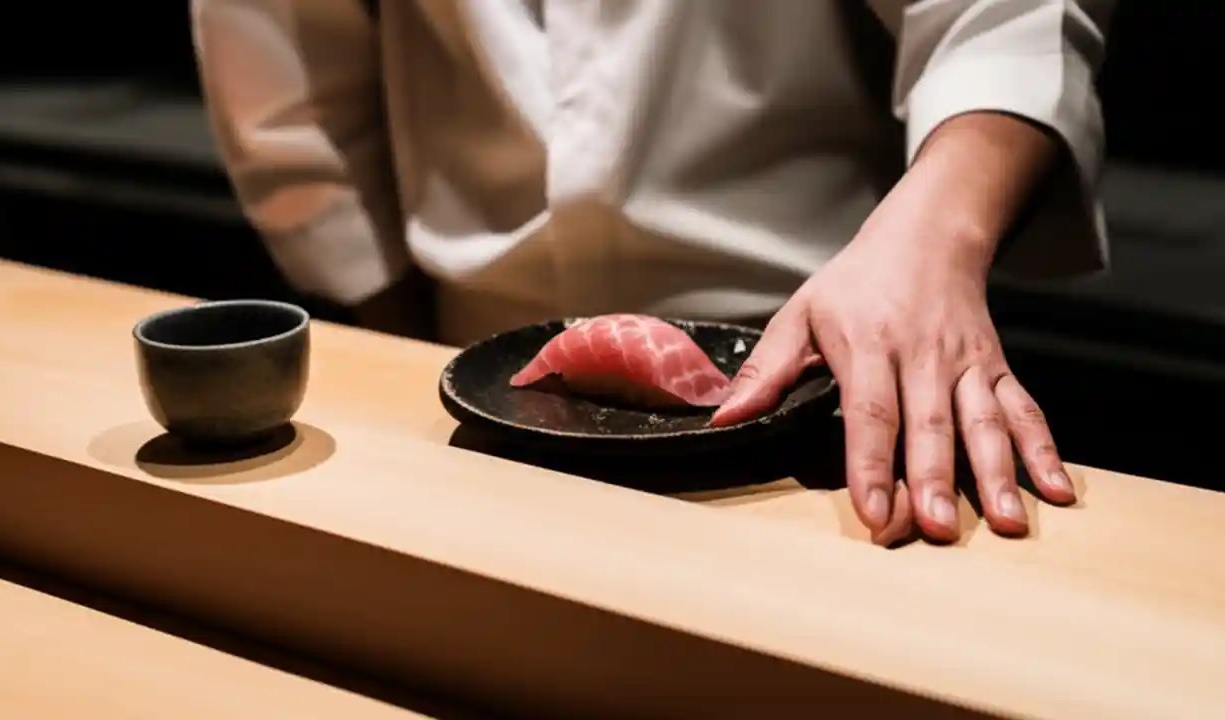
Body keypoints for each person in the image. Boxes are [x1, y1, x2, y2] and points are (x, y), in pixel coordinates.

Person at [190, 0, 1116, 546]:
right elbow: (282, 53)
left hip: (830, 369)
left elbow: (1003, 15)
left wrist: (936, 232)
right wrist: (376, 307)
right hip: (468, 383)